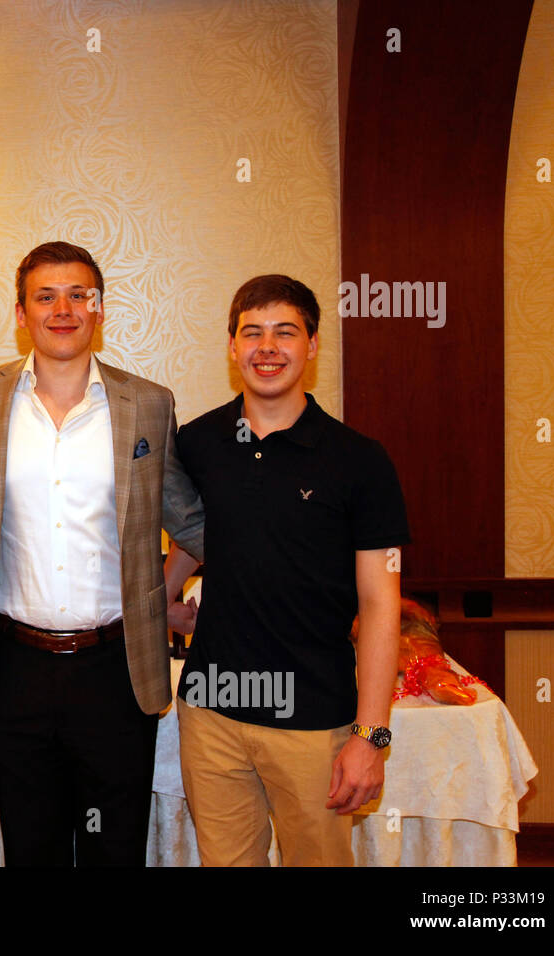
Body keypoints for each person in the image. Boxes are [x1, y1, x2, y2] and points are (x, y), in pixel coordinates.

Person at [0, 241, 205, 866]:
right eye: (46, 295)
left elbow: (189, 520)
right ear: (20, 312)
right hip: (13, 667)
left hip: (115, 670)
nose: (63, 308)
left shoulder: (147, 404)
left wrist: (162, 598)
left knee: (113, 850)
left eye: (78, 294)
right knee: (31, 851)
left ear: (100, 308)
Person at [165, 273, 407, 866]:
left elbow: (381, 604)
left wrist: (370, 735)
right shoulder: (197, 442)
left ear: (313, 345)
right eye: (252, 332)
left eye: (285, 332)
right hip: (210, 710)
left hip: (313, 718)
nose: (266, 347)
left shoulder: (360, 461)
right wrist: (162, 602)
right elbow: (198, 536)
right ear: (231, 346)